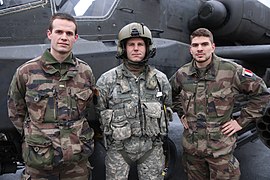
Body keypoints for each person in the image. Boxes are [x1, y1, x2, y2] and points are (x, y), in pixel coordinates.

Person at [170, 28, 270, 179]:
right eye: (195, 45)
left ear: (213, 47)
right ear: (190, 49)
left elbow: (262, 94)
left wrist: (241, 122)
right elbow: (170, 93)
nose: (200, 49)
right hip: (192, 154)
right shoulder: (182, 74)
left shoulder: (231, 71)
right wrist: (181, 113)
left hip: (220, 154)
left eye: (204, 44)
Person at [7, 13, 96, 180]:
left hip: (76, 163)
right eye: (59, 32)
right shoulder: (26, 72)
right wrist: (34, 134)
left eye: (69, 33)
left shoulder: (85, 72)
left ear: (75, 38)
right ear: (49, 34)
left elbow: (87, 109)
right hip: (40, 162)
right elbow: (15, 110)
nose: (64, 37)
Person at [96, 22, 172, 180]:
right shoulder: (107, 80)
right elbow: (99, 110)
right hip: (119, 150)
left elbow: (168, 105)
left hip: (152, 150)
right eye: (131, 44)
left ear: (148, 48)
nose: (136, 48)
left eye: (140, 44)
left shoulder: (160, 80)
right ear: (123, 48)